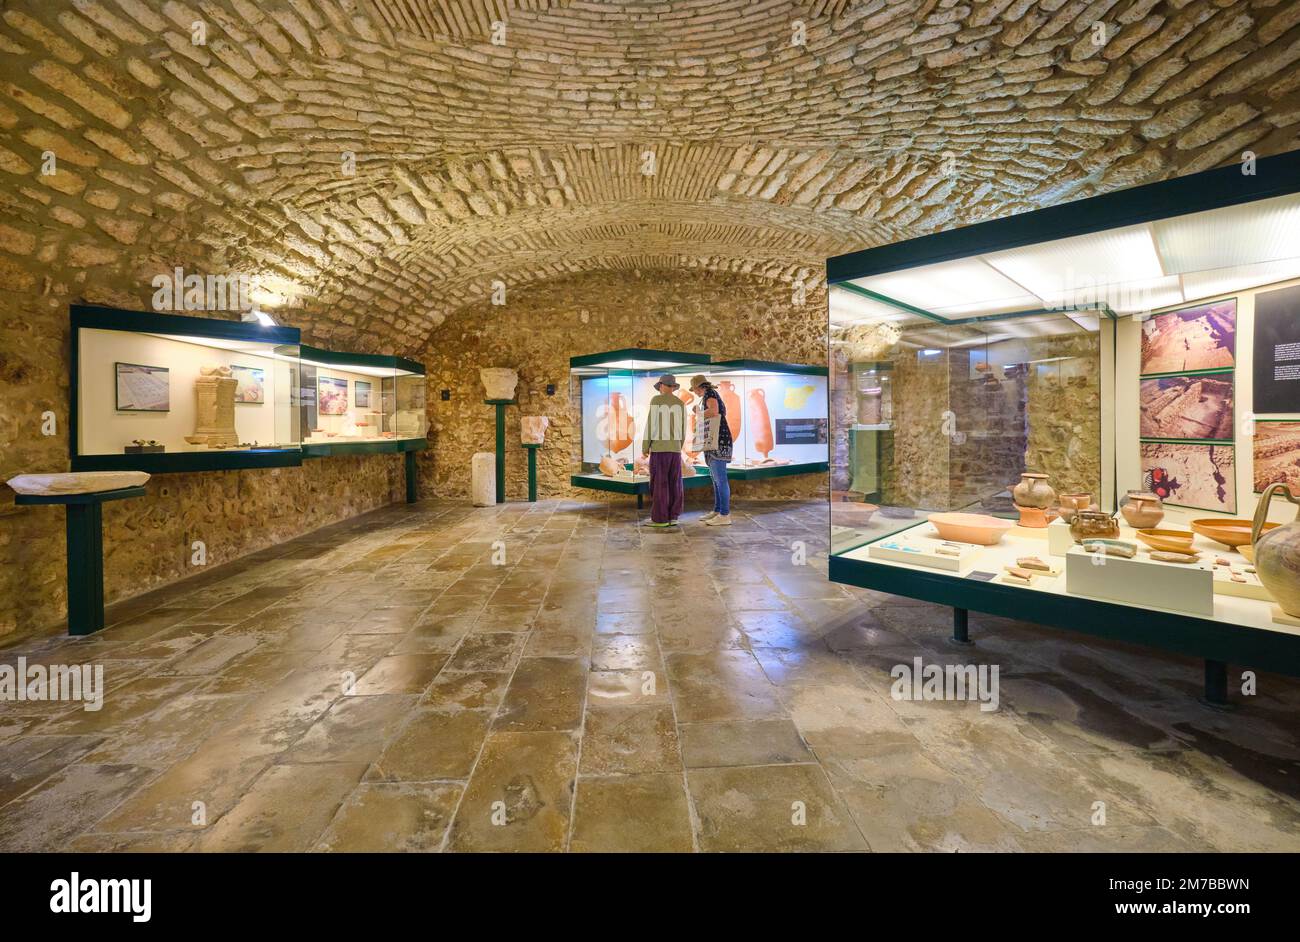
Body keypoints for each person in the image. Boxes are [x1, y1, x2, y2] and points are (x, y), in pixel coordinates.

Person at [641, 374, 686, 527]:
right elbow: (683, 428)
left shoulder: (656, 400)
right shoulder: (680, 403)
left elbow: (650, 424)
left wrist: (645, 446)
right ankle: (674, 516)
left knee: (659, 483)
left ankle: (660, 519)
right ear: (673, 387)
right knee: (675, 483)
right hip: (675, 449)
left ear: (661, 385)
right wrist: (678, 446)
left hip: (660, 449)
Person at [689, 374, 733, 526]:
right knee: (716, 479)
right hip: (716, 441)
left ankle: (725, 514)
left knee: (720, 479)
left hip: (718, 442)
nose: (694, 392)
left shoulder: (710, 394)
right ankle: (718, 510)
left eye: (694, 389)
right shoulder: (710, 395)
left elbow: (714, 412)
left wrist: (698, 413)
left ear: (699, 387)